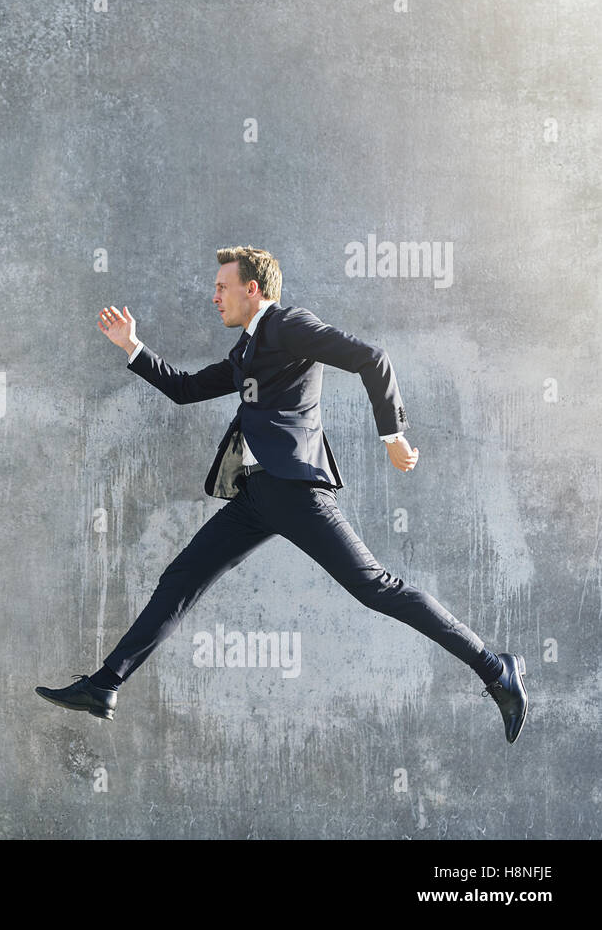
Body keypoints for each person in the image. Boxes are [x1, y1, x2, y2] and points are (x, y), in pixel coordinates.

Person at [35, 245, 529, 742]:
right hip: (255, 495)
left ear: (253, 289)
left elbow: (370, 358)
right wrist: (132, 347)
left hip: (295, 491)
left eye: (222, 287)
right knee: (181, 579)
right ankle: (105, 685)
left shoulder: (287, 325)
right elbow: (185, 390)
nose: (214, 297)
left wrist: (392, 436)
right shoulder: (246, 348)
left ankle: (494, 669)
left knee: (377, 589)